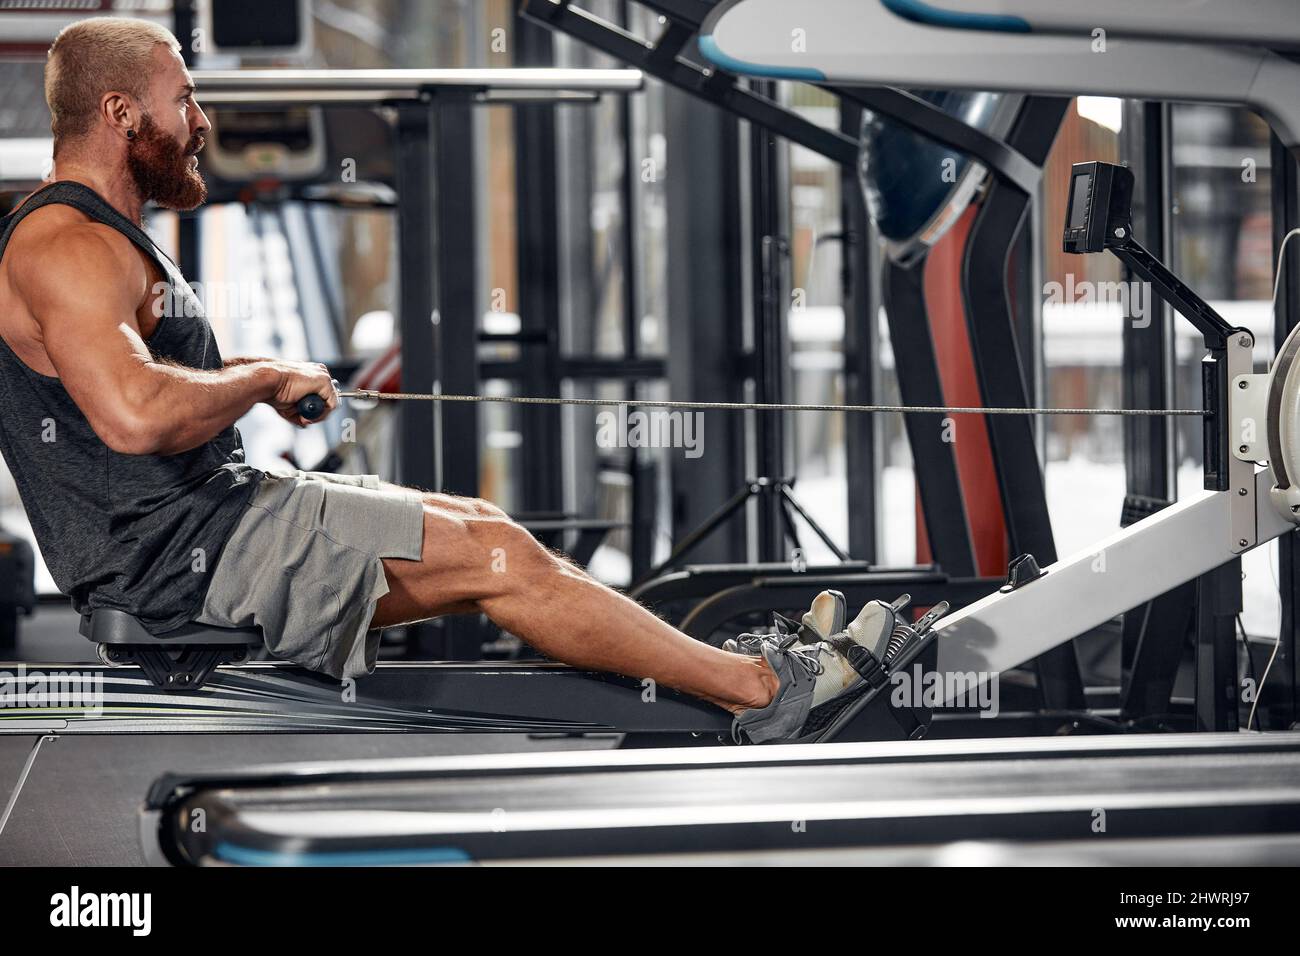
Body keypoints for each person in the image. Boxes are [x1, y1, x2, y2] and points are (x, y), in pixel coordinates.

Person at [0, 16, 899, 743]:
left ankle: (746, 675)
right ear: (121, 113)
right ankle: (764, 689)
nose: (200, 121)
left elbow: (139, 380)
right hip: (182, 558)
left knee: (488, 530)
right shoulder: (67, 245)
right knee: (499, 562)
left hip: (213, 521)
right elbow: (133, 414)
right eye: (184, 98)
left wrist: (258, 380)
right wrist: (264, 373)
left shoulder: (99, 238)